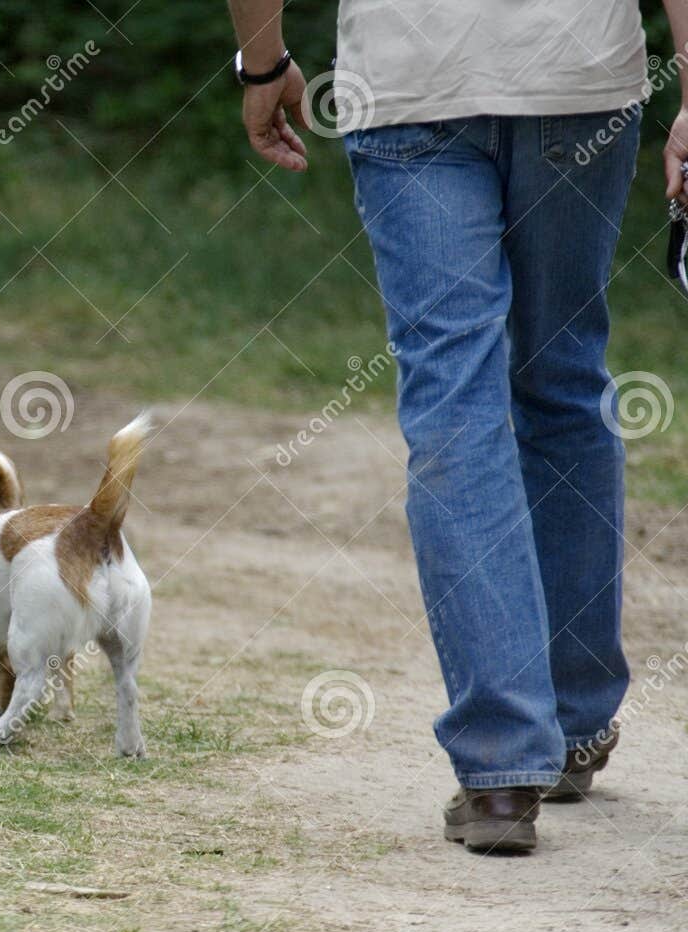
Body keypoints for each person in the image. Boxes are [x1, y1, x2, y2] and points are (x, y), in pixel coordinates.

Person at [226, 0, 688, 852]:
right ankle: (574, 724)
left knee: (453, 396)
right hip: (575, 73)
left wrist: (263, 61)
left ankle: (503, 766)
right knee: (564, 378)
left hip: (412, 79)